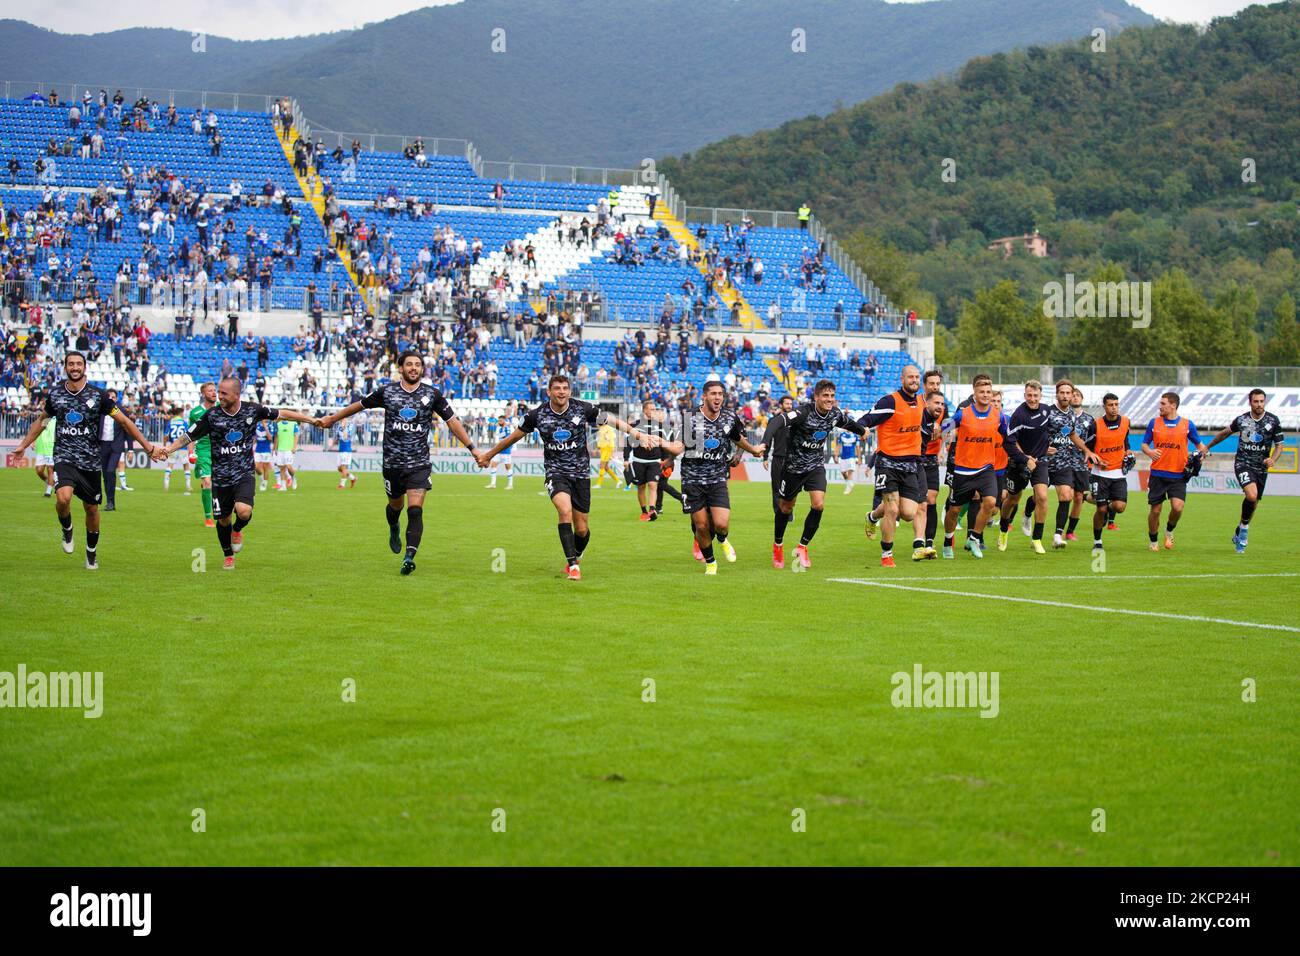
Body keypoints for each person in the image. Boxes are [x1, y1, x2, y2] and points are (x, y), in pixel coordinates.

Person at [319, 350, 479, 576]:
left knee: (415, 509)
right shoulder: (388, 392)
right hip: (392, 464)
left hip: (419, 463)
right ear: (400, 368)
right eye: (409, 364)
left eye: (418, 365)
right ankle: (393, 527)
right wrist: (332, 418)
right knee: (396, 507)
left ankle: (409, 557)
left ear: (422, 369)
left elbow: (452, 422)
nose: (414, 368)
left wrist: (472, 449)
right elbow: (359, 406)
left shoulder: (433, 394)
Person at [477, 374, 651, 581]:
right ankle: (573, 565)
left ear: (569, 391)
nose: (561, 392)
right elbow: (512, 438)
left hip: (580, 475)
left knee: (582, 529)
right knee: (564, 510)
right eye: (557, 388)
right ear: (549, 391)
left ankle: (575, 556)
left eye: (565, 388)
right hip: (555, 472)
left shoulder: (582, 408)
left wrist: (638, 435)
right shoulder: (537, 415)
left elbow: (611, 420)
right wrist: (488, 455)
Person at [12, 352, 161, 570]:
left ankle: (91, 553)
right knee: (63, 499)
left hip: (91, 461)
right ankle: (67, 528)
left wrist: (147, 447)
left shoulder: (99, 396)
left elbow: (125, 421)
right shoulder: (56, 395)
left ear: (84, 367)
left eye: (78, 364)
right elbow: (41, 422)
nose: (75, 367)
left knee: (92, 509)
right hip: (64, 456)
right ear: (65, 368)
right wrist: (22, 446)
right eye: (71, 364)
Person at [156, 377, 317, 570]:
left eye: (223, 393)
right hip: (221, 477)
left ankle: (238, 529)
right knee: (223, 519)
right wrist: (168, 449)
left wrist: (312, 420)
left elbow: (282, 414)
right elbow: (188, 435)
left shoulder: (252, 410)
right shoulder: (212, 415)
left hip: (244, 473)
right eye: (218, 392)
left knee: (244, 511)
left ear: (236, 395)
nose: (219, 396)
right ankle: (228, 554)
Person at [659, 380, 766, 575]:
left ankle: (723, 539)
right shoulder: (691, 417)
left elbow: (738, 438)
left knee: (721, 524)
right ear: (704, 396)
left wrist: (751, 451)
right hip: (692, 479)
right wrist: (668, 454)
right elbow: (679, 445)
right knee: (700, 525)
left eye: (720, 394)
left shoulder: (729, 417)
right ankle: (711, 563)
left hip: (717, 477)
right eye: (713, 394)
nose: (717, 398)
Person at [772, 380, 867, 570]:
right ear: (816, 397)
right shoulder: (803, 412)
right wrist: (765, 443)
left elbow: (848, 423)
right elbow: (777, 422)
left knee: (818, 504)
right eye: (825, 395)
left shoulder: (834, 414)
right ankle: (778, 545)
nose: (829, 399)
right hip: (793, 468)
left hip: (815, 465)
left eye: (832, 396)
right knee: (785, 508)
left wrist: (862, 431)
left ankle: (802, 547)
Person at [939, 375, 1026, 559]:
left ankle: (974, 538)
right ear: (975, 393)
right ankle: (948, 541)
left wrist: (1023, 456)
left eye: (988, 392)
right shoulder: (964, 413)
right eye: (982, 392)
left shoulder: (998, 416)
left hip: (987, 468)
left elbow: (1009, 438)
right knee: (954, 510)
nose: (985, 395)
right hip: (963, 469)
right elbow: (947, 426)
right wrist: (944, 441)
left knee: (990, 503)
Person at [862, 366, 941, 567]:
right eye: (910, 377)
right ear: (902, 379)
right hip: (887, 463)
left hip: (911, 465)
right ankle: (887, 554)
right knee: (892, 508)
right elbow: (869, 417)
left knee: (907, 513)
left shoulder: (921, 404)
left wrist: (939, 425)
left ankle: (871, 516)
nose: (914, 380)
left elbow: (931, 420)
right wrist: (861, 427)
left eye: (916, 377)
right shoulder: (890, 401)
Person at [1204, 388, 1286, 554]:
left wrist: (1273, 459)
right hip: (1243, 463)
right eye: (1256, 401)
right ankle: (1245, 531)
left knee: (1253, 503)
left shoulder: (1273, 420)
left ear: (1265, 402)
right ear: (1250, 402)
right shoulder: (1242, 419)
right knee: (1251, 495)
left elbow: (1279, 445)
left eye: (1262, 401)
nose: (1259, 404)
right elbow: (1225, 433)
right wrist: (1207, 447)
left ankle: (1239, 530)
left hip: (1261, 467)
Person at [1140, 392, 1208, 552]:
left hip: (1178, 475)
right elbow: (1144, 444)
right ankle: (1153, 540)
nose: (1160, 406)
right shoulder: (1154, 423)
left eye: (1163, 404)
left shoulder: (1187, 425)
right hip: (1157, 474)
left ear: (1173, 405)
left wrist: (1202, 455)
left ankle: (1169, 531)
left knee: (1177, 508)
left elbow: (1200, 445)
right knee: (1155, 511)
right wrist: (1149, 452)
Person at [1077, 393, 1130, 553]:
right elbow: (1087, 450)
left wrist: (1128, 453)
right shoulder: (1096, 425)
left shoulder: (1126, 422)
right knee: (1101, 510)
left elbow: (1125, 443)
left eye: (1116, 404)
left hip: (1119, 473)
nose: (1114, 408)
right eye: (1110, 405)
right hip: (1100, 474)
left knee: (1120, 507)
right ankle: (1097, 540)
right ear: (1104, 406)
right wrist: (1097, 460)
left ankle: (1098, 500)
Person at [1005, 380, 1051, 554]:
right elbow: (1009, 442)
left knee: (1042, 497)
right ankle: (1003, 529)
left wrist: (1050, 443)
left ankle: (1037, 538)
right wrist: (1025, 459)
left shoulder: (1046, 410)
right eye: (1029, 395)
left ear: (1041, 396)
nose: (1032, 399)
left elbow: (1059, 429)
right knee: (1012, 499)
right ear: (1024, 396)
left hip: (1040, 462)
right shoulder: (1018, 415)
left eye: (1035, 395)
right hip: (1019, 463)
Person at [1043, 379, 1084, 549]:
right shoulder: (1047, 412)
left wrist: (1087, 451)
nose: (1066, 396)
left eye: (1069, 393)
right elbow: (1037, 433)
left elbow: (1071, 434)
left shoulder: (1072, 415)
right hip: (1044, 462)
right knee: (1039, 497)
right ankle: (1028, 512)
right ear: (1057, 394)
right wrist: (1045, 447)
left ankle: (1057, 536)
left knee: (1067, 496)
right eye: (1062, 392)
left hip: (1063, 463)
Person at [760, 395, 796, 550]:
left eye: (790, 403)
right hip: (778, 458)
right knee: (776, 488)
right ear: (781, 405)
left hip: (792, 459)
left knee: (791, 488)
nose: (789, 405)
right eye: (786, 403)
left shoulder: (796, 420)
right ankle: (778, 513)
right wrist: (765, 457)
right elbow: (768, 438)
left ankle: (789, 513)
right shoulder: (775, 420)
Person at [629, 399, 669, 520]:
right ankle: (644, 511)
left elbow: (665, 444)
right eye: (651, 409)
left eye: (654, 409)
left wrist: (666, 459)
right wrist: (626, 459)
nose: (653, 411)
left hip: (655, 461)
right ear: (644, 410)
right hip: (638, 461)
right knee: (641, 487)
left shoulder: (661, 426)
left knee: (653, 485)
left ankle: (652, 510)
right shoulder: (635, 425)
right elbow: (628, 443)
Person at [188, 382, 217, 527]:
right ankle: (208, 517)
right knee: (207, 482)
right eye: (210, 391)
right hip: (203, 451)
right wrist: (190, 453)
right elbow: (190, 434)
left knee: (219, 485)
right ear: (203, 394)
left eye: (214, 390)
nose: (213, 393)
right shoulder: (195, 413)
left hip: (219, 450)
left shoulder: (221, 408)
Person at [99, 389, 132, 510]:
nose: (111, 399)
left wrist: (131, 449)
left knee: (110, 471)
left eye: (113, 397)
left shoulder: (122, 411)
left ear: (116, 398)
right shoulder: (100, 411)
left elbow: (128, 430)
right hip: (103, 446)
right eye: (109, 397)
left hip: (116, 447)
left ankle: (111, 502)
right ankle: (109, 501)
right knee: (105, 474)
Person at [163, 407, 192, 493]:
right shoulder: (184, 422)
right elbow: (188, 435)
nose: (183, 415)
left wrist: (164, 445)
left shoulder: (170, 422)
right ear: (180, 413)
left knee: (170, 465)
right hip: (182, 447)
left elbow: (166, 435)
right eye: (183, 413)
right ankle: (188, 485)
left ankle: (166, 484)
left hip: (173, 447)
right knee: (186, 465)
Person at [485, 414, 514, 490]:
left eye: (500, 420)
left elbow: (508, 440)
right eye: (498, 421)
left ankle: (510, 485)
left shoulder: (507, 429)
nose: (499, 422)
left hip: (506, 451)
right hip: (499, 451)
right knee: (493, 465)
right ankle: (493, 484)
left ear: (504, 421)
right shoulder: (501, 429)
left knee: (508, 467)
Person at [31, 415, 56, 497]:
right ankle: (51, 483)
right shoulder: (45, 418)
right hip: (41, 447)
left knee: (50, 469)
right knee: (39, 471)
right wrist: (33, 441)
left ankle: (48, 492)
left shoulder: (56, 418)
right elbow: (37, 430)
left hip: (51, 447)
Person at [274, 414, 299, 490]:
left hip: (289, 449)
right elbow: (277, 437)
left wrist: (294, 447)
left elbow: (296, 435)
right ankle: (283, 486)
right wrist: (275, 448)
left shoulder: (294, 424)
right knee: (282, 468)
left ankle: (293, 478)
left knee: (288, 466)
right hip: (280, 449)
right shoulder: (278, 424)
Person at [595, 420, 621, 489]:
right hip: (604, 449)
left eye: (597, 423)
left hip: (607, 448)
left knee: (602, 465)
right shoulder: (603, 429)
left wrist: (610, 452)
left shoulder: (606, 428)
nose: (596, 425)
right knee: (606, 467)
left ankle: (599, 484)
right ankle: (618, 480)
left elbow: (609, 440)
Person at [335, 418, 357, 489]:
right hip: (341, 450)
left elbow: (345, 437)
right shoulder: (339, 426)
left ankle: (342, 485)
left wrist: (344, 428)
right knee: (339, 468)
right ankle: (353, 478)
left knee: (343, 468)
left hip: (346, 451)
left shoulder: (350, 427)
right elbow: (338, 437)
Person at [253, 418, 275, 491]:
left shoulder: (270, 425)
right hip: (258, 449)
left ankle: (264, 484)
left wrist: (265, 427)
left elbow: (270, 438)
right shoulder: (257, 425)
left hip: (266, 450)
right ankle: (261, 478)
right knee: (255, 466)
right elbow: (255, 437)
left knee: (266, 467)